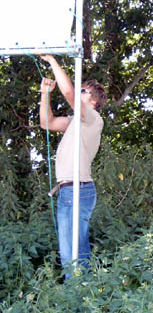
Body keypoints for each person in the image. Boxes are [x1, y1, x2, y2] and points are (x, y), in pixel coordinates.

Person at [39, 55, 107, 279]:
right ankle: (85, 295)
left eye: (84, 91)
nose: (79, 93)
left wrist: (52, 61)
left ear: (94, 102)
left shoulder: (93, 118)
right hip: (71, 190)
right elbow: (46, 123)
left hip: (76, 190)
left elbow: (68, 93)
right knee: (78, 252)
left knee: (71, 256)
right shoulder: (75, 121)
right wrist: (45, 94)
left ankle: (76, 298)